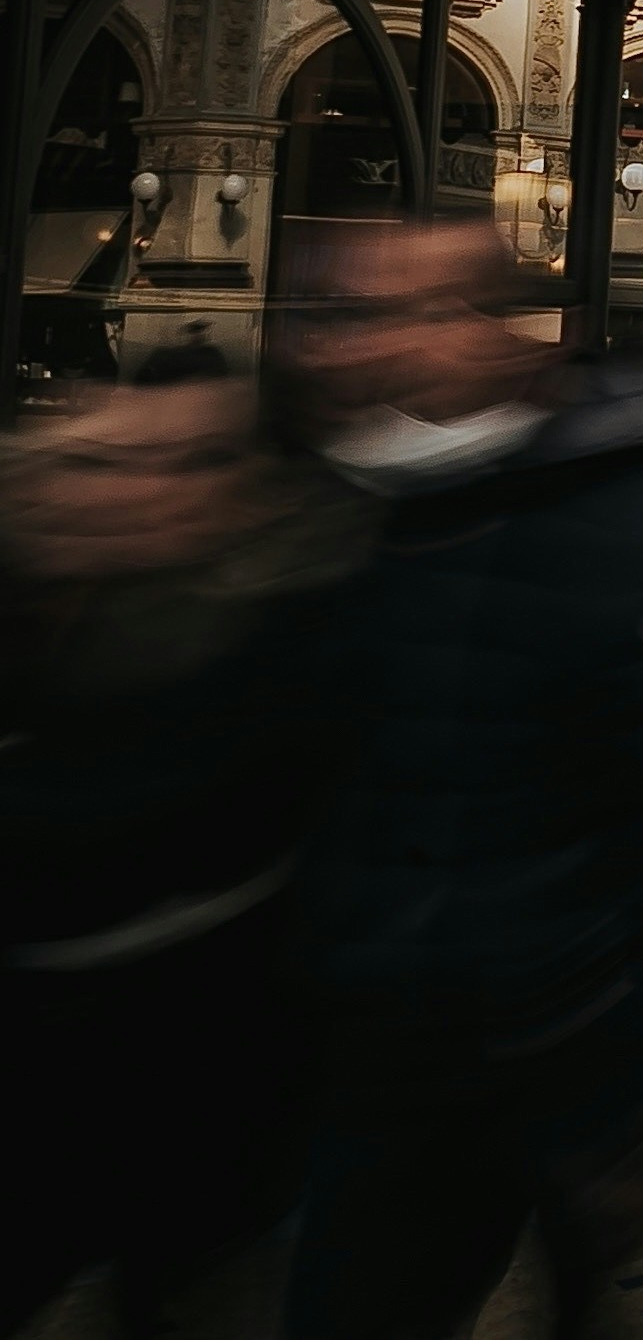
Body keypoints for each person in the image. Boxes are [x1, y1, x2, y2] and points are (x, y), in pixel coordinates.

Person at [275, 223, 643, 1338]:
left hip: (566, 1049)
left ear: (479, 325)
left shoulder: (624, 527)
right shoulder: (342, 504)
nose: (354, 347)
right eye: (341, 316)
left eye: (390, 314)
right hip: (378, 1045)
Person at [0, 351, 362, 1336]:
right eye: (120, 462)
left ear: (248, 485)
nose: (152, 492)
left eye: (197, 461)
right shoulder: (38, 599)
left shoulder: (292, 634)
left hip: (217, 1105)